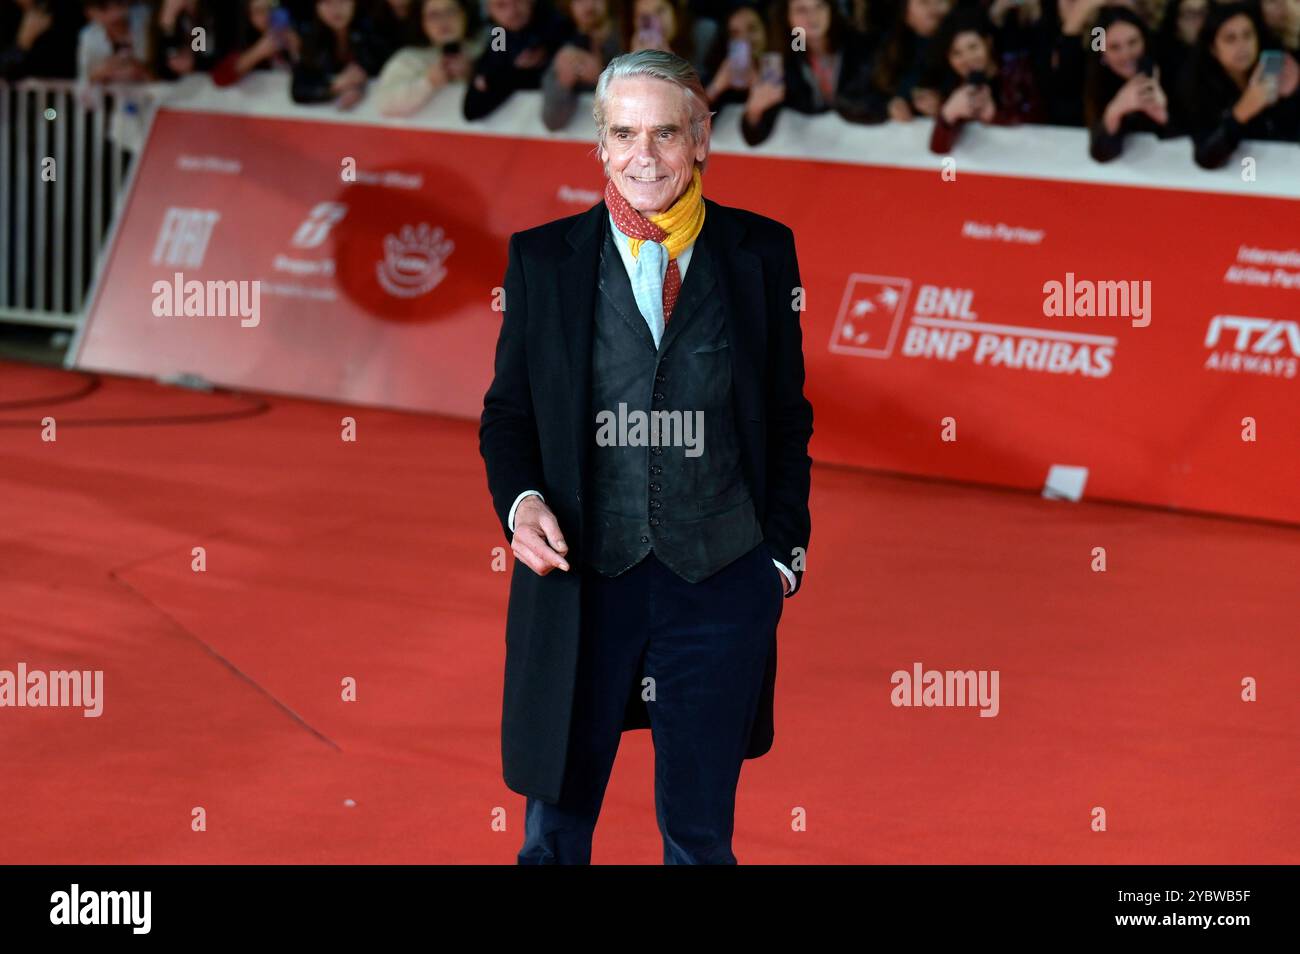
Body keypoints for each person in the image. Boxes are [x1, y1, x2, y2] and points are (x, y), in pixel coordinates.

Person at [479, 48, 813, 865]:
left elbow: (784, 417)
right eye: (624, 133)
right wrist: (522, 505)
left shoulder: (762, 254)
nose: (644, 157)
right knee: (554, 833)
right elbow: (507, 415)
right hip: (582, 582)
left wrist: (779, 559)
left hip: (721, 578)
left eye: (666, 134)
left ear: (701, 140)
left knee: (700, 838)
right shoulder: (542, 259)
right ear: (599, 143)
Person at [1176, 1, 1300, 168]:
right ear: (1213, 48)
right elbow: (1206, 157)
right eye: (1230, 39)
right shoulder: (1197, 84)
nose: (1242, 46)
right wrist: (1242, 111)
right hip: (1233, 182)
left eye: (1248, 35)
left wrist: (1292, 95)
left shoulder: (1274, 70)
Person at [741, 0, 877, 143]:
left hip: (862, 144)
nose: (813, 17)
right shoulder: (783, 62)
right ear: (787, 16)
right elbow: (755, 137)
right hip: (811, 153)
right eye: (801, 10)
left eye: (820, 6)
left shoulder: (861, 47)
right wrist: (754, 110)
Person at [928, 8, 1044, 152]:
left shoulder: (1017, 70)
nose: (967, 58)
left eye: (973, 47)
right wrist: (947, 115)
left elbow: (1038, 122)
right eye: (956, 53)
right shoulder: (956, 84)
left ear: (988, 43)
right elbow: (939, 149)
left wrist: (994, 116)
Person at [1084, 5, 1174, 161]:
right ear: (1102, 54)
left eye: (1133, 42)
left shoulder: (1170, 67)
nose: (1126, 54)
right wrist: (1115, 110)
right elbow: (1101, 154)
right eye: (1114, 47)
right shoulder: (1095, 83)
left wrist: (1163, 116)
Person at [462, 0, 573, 120]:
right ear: (489, 10)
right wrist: (514, 74)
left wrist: (503, 77)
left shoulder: (558, 25)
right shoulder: (500, 36)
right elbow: (471, 109)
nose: (513, 11)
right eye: (501, 5)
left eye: (518, 1)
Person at [373, 0, 482, 116]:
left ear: (465, 15)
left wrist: (474, 71)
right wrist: (428, 83)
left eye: (450, 11)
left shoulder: (484, 48)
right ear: (421, 22)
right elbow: (385, 104)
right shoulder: (408, 59)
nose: (443, 20)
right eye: (434, 15)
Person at [863, 0, 951, 121]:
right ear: (906, 11)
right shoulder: (890, 45)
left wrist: (944, 101)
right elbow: (858, 92)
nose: (934, 7)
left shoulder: (961, 42)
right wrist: (889, 105)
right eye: (924, 2)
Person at [541, 0, 622, 129]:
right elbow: (552, 122)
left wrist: (600, 78)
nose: (588, 4)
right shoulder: (567, 47)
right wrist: (564, 82)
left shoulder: (631, 36)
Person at [291, 0, 385, 107]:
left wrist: (359, 85)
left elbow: (378, 66)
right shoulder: (310, 39)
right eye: (328, 2)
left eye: (343, 1)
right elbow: (299, 90)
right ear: (317, 7)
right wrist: (335, 86)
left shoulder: (371, 33)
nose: (336, 9)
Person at [211, 0, 301, 87]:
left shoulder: (290, 32)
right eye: (259, 11)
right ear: (249, 16)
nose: (267, 15)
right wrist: (257, 53)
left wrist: (296, 51)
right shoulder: (243, 41)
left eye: (270, 9)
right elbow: (219, 78)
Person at [699, 2, 768, 114]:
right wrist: (716, 88)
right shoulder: (716, 74)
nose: (744, 39)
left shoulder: (783, 71)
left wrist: (758, 87)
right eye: (735, 34)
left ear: (766, 30)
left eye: (752, 29)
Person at [0, 0, 82, 80]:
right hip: (20, 88)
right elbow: (6, 72)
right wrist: (22, 44)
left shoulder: (66, 10)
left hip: (62, 86)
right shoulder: (6, 14)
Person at [77, 0, 149, 83]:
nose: (115, 14)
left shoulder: (147, 21)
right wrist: (100, 74)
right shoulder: (89, 36)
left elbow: (159, 75)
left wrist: (142, 70)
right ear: (89, 13)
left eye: (119, 4)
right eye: (103, 8)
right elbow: (83, 80)